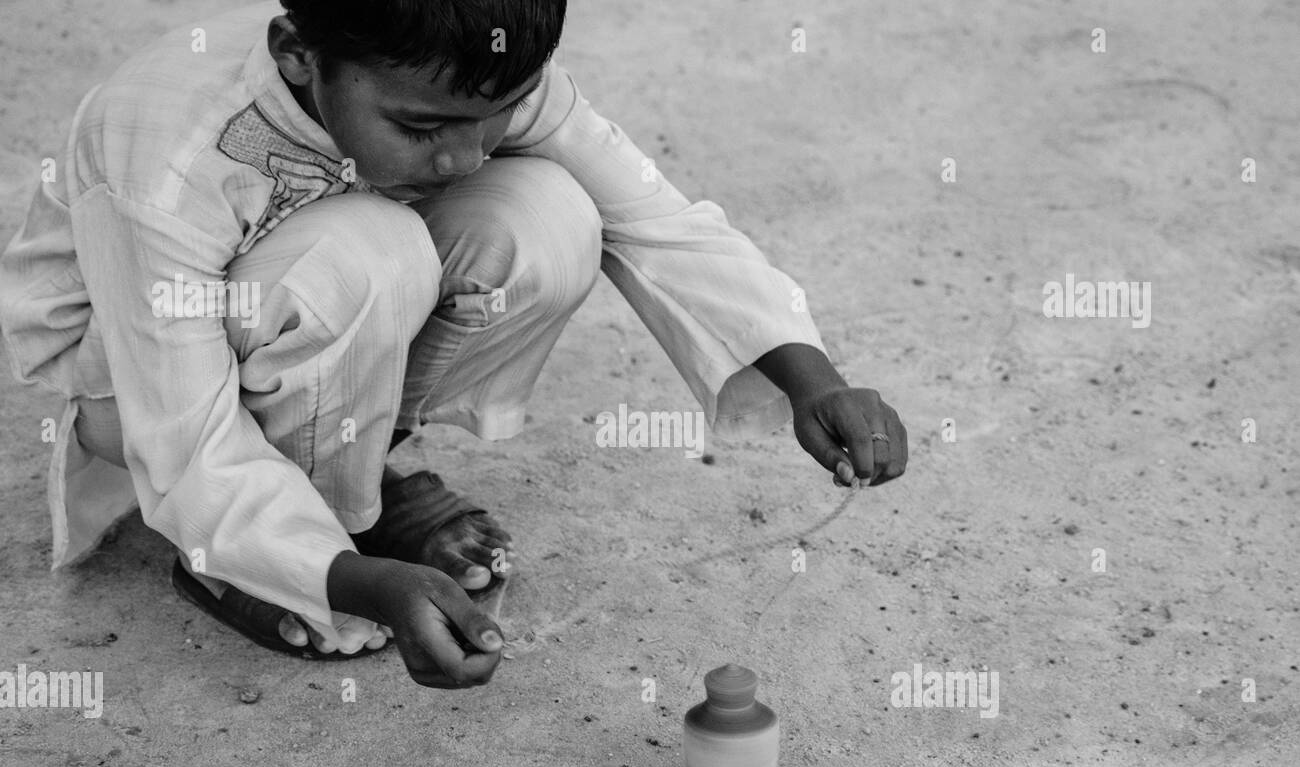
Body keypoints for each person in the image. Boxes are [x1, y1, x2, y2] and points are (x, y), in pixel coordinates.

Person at [0, 0, 907, 688]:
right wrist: (346, 580)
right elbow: (180, 431)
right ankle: (286, 553)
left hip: (287, 314)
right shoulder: (169, 159)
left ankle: (355, 479)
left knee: (549, 218)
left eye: (499, 114)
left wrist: (810, 375)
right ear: (297, 57)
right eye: (423, 128)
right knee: (369, 256)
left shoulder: (471, 65)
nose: (467, 155)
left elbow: (657, 220)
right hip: (133, 385)